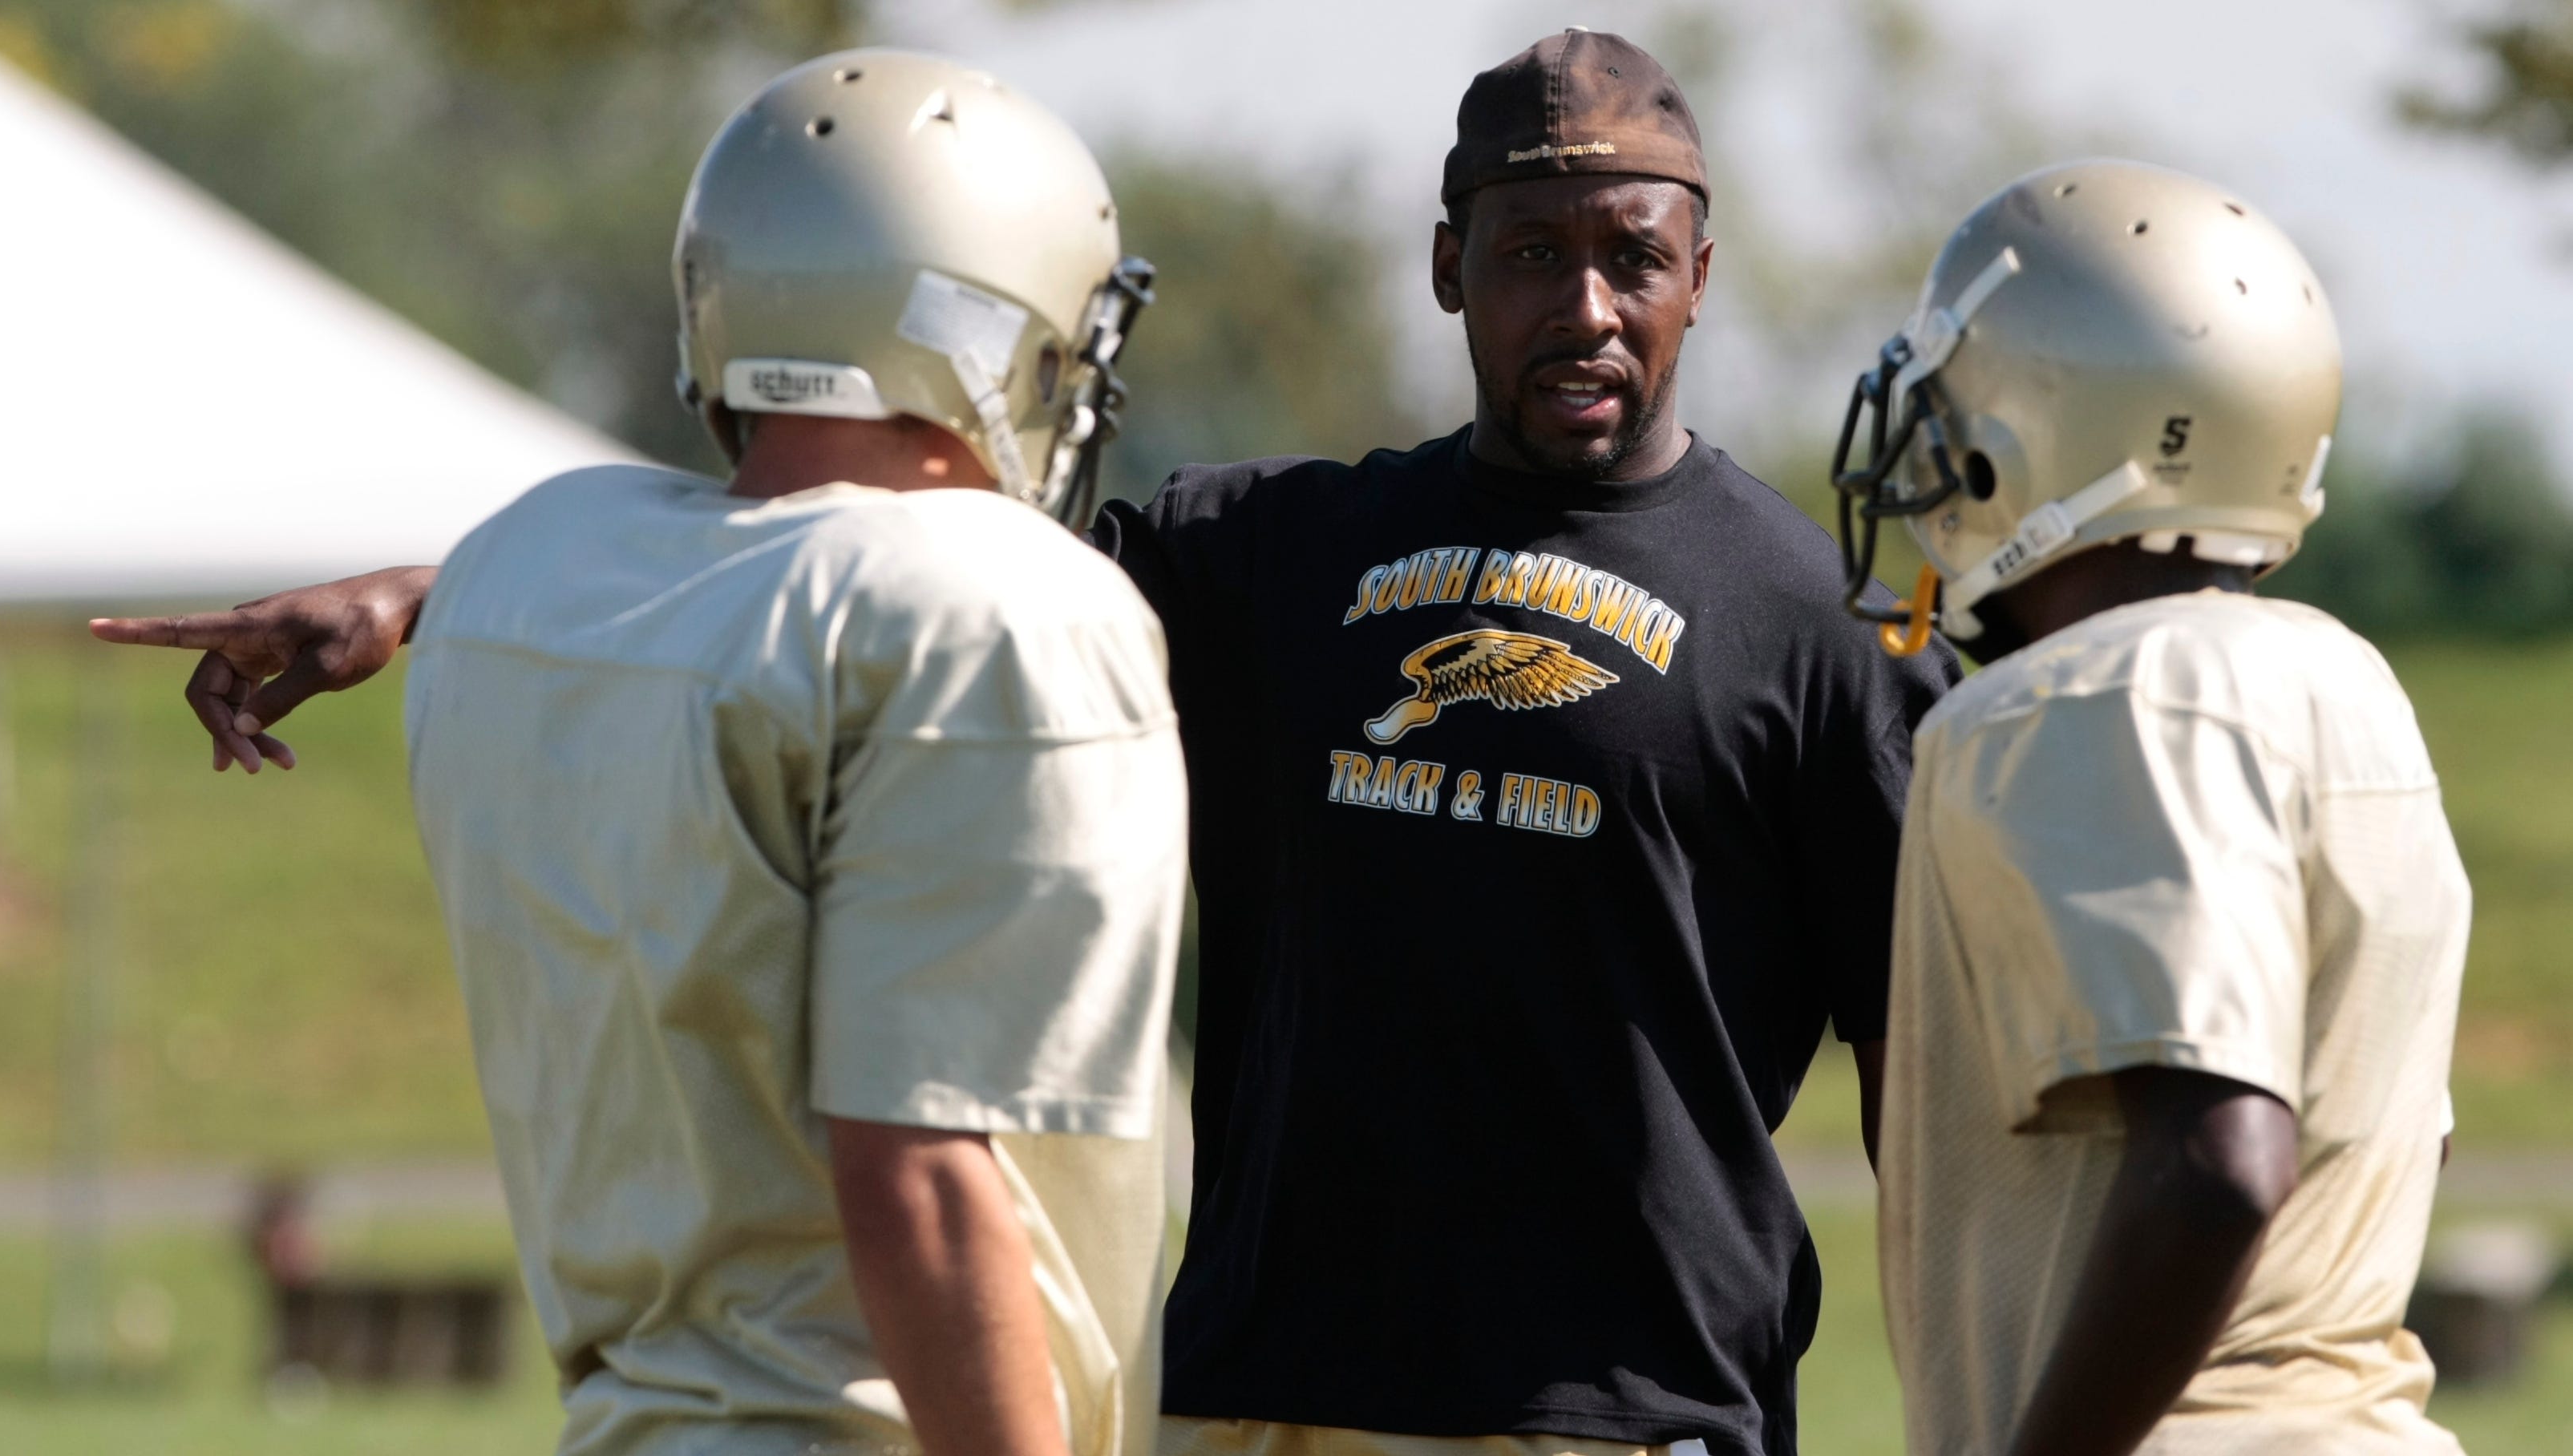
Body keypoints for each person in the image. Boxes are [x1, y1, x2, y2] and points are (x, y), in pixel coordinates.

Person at [98, 32, 1953, 1456]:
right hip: (1257, 1387)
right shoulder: (1269, 547)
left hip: (1615, 1399)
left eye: (1633, 256)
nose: (1589, 306)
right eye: (1533, 253)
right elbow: (850, 539)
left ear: (1701, 271)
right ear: (1450, 266)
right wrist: (418, 596)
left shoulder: (1813, 622)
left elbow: (1916, 1065)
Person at [109, 50, 1189, 1456]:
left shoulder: (527, 571)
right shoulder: (997, 607)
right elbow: (920, 1179)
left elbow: (687, 585)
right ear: (994, 333)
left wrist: (417, 595)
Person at [1827, 159, 2470, 1456]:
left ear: (2043, 431)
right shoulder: (2342, 682)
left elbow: (2223, 1165)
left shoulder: (2098, 692)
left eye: (1948, 404)